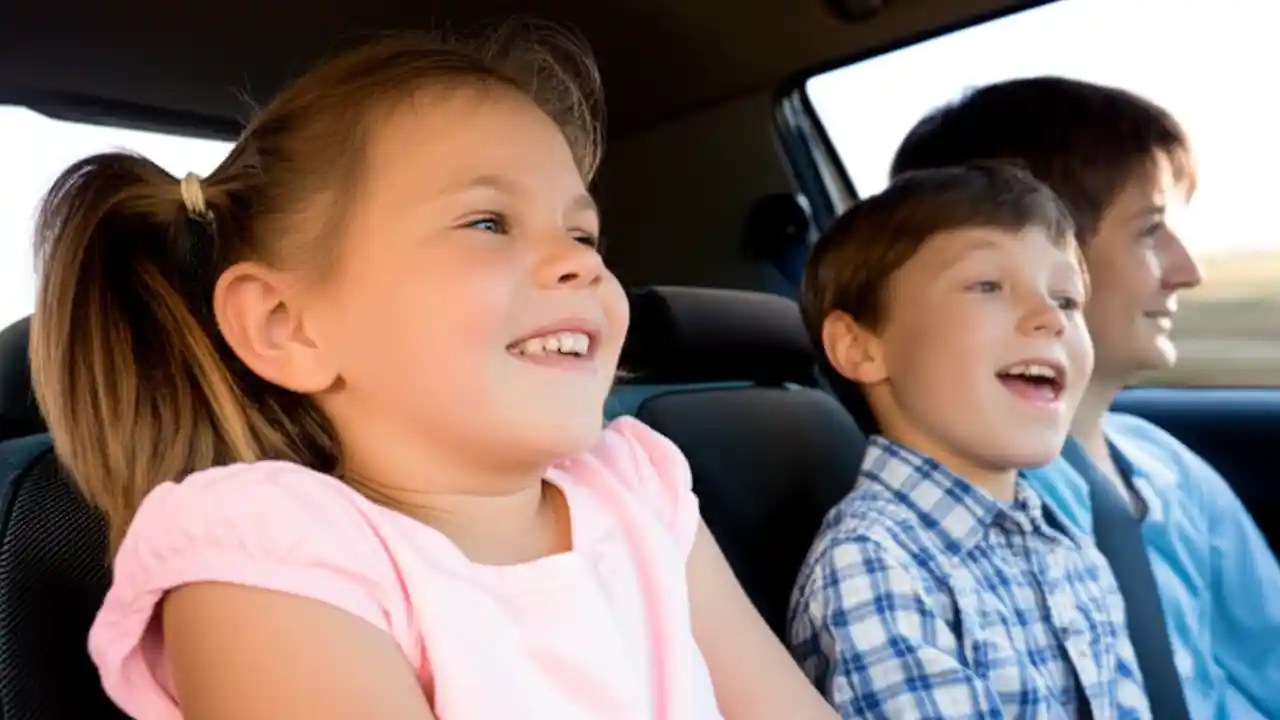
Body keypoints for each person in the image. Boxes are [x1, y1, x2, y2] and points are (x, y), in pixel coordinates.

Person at [28, 23, 836, 720]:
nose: (579, 265)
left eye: (584, 235)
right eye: (488, 222)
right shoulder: (270, 553)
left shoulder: (636, 489)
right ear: (288, 326)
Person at [891, 76, 1280, 720]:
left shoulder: (1164, 463)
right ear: (1042, 254)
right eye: (1150, 231)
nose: (1188, 269)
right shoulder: (986, 512)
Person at [789, 163, 1150, 718]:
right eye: (987, 285)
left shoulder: (1067, 547)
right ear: (861, 348)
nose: (1050, 319)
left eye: (1067, 300)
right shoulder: (872, 566)